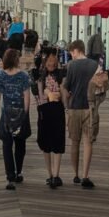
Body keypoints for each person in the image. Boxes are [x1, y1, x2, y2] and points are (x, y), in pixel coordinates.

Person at [0, 48, 32, 190]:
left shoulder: (1, 75)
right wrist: (26, 114)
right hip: (20, 112)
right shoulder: (24, 76)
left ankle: (10, 176)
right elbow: (27, 97)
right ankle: (18, 171)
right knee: (20, 144)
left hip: (7, 113)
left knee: (7, 145)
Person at [62, 39, 100, 188]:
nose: (71, 55)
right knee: (88, 142)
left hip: (74, 107)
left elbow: (66, 87)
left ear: (76, 50)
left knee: (74, 142)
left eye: (72, 52)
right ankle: (86, 175)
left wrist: (66, 104)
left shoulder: (72, 65)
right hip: (90, 108)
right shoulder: (95, 65)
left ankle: (75, 174)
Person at [36, 51, 65, 188]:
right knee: (46, 143)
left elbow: (63, 95)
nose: (51, 64)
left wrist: (53, 94)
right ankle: (50, 174)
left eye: (54, 61)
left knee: (58, 142)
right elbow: (41, 96)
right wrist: (50, 94)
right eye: (49, 61)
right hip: (45, 111)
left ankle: (56, 174)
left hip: (58, 110)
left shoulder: (61, 75)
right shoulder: (41, 76)